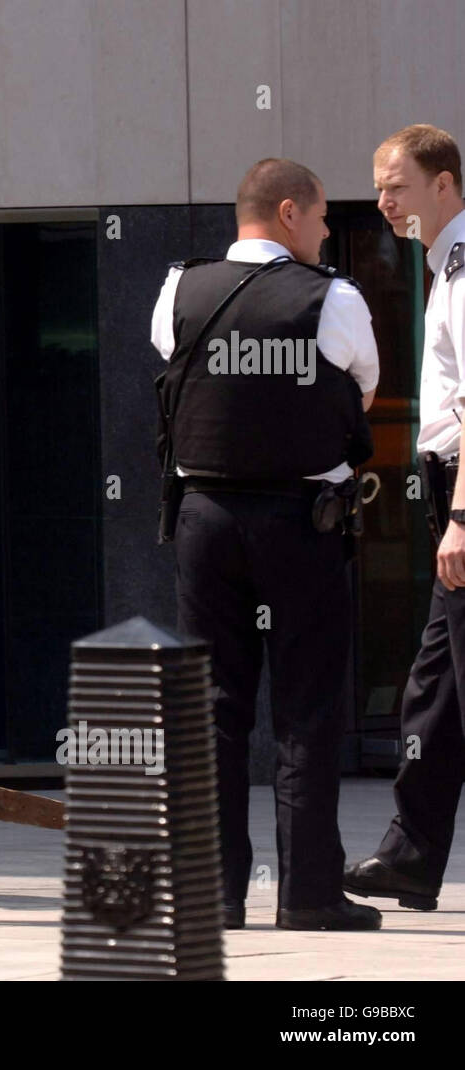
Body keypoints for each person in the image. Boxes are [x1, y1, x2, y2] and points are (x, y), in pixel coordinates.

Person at [150, 159, 381, 931]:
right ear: (289, 213)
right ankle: (309, 895)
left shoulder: (177, 289)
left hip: (204, 518)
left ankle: (213, 893)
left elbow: (176, 374)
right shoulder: (333, 297)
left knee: (214, 708)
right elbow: (364, 392)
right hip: (302, 519)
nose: (323, 233)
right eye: (319, 219)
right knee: (308, 707)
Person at [346, 125, 465, 913]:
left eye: (399, 186)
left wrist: (462, 517)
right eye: (381, 187)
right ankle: (411, 859)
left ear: (445, 186)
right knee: (434, 694)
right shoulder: (441, 264)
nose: (384, 200)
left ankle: (411, 856)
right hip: (449, 491)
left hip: (463, 496)